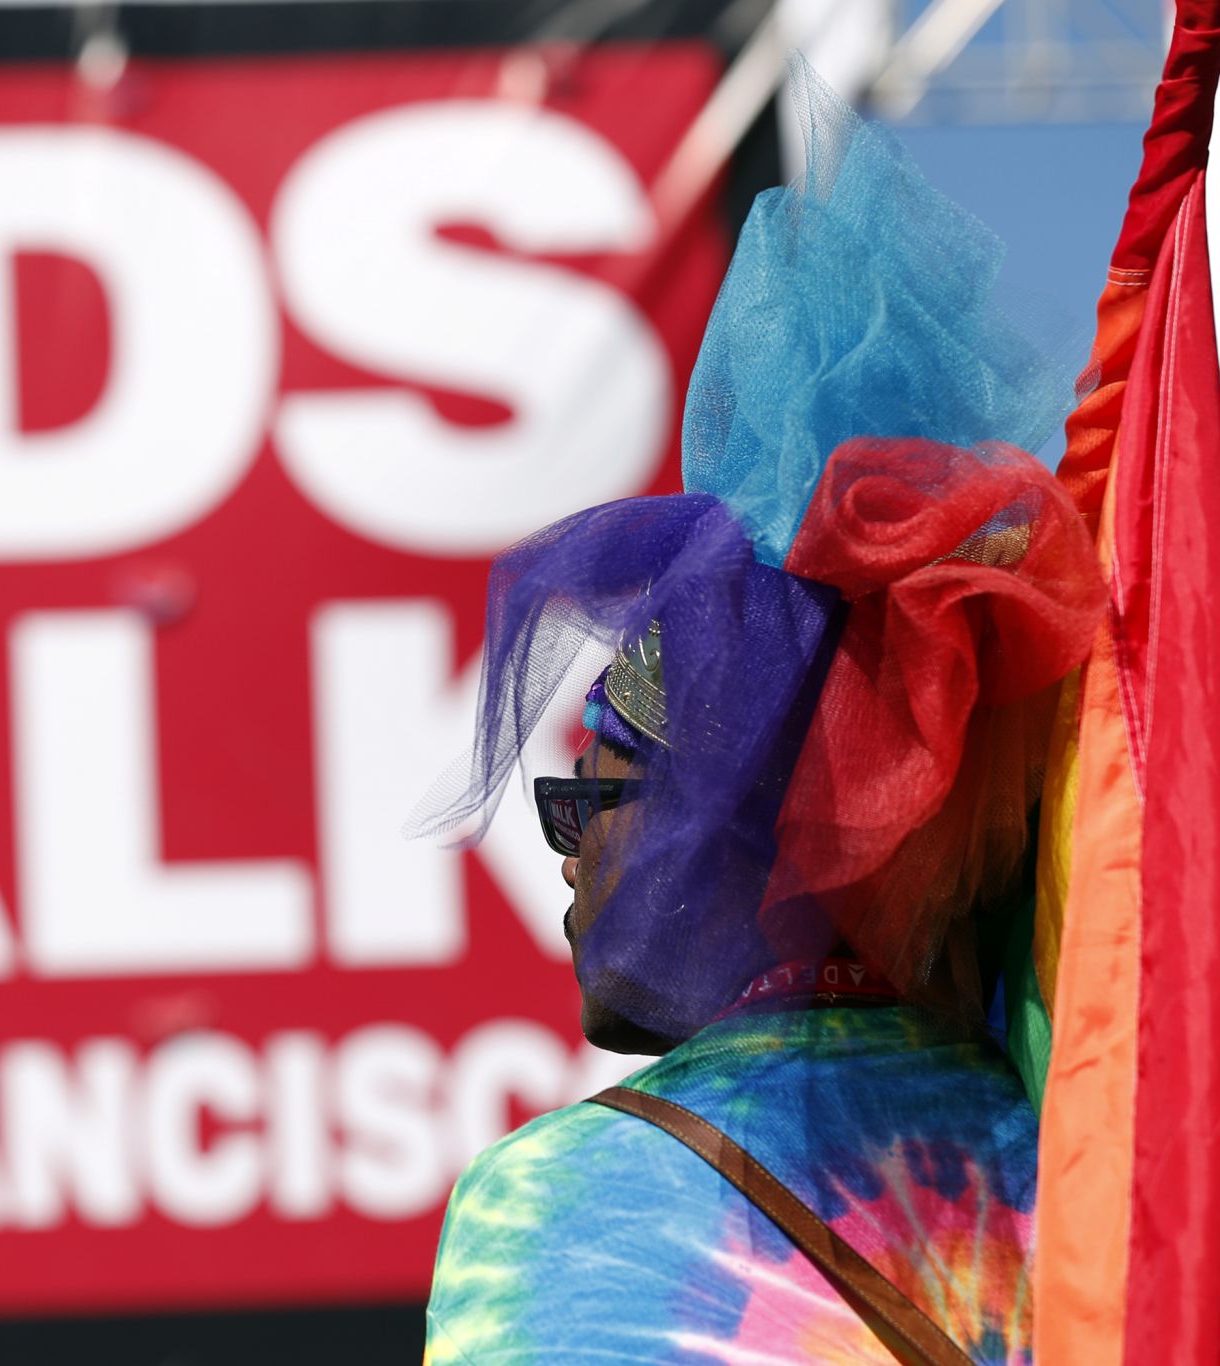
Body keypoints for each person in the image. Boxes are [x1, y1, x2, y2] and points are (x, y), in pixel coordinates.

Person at [410, 63, 1106, 1365]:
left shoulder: (558, 1204)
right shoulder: (1084, 1155)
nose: (566, 843)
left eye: (598, 785)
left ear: (724, 815)